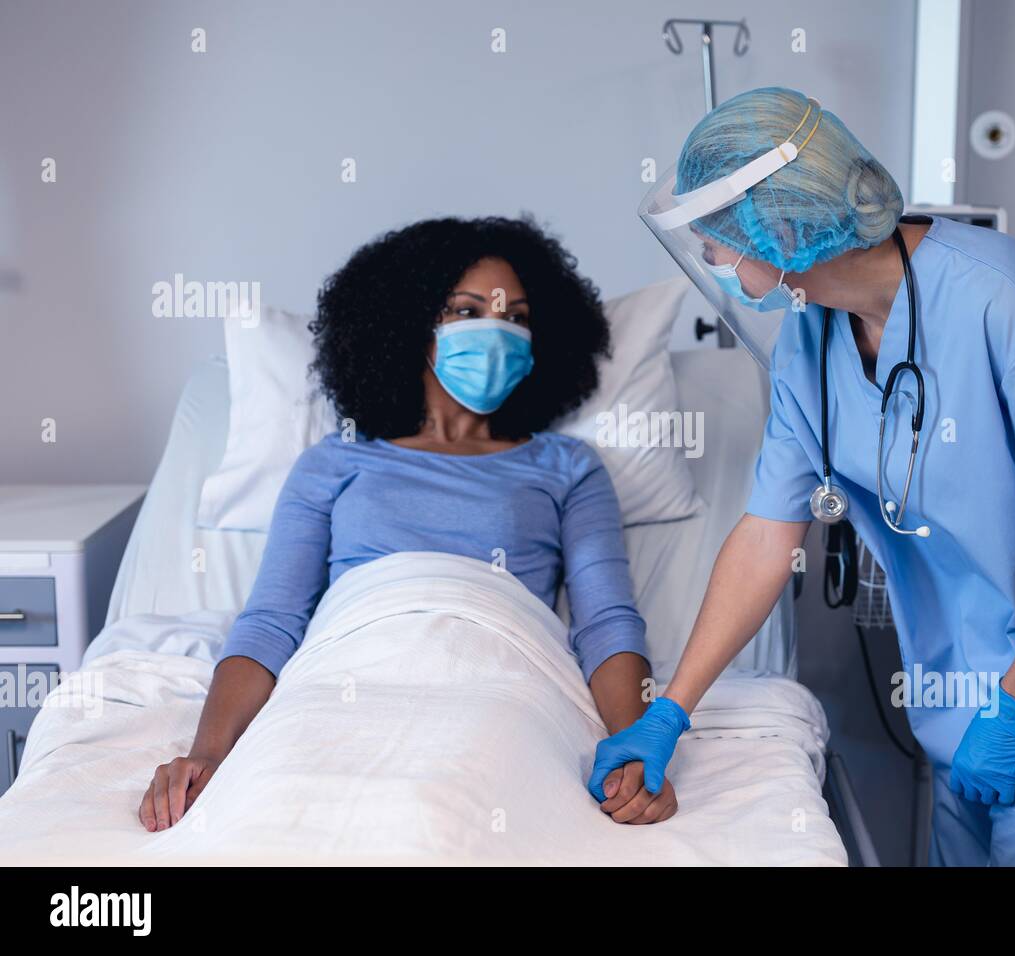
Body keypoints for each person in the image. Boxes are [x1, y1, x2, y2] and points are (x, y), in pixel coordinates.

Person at [590, 87, 1015, 865]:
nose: (711, 260)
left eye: (717, 240)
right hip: (965, 686)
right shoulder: (809, 338)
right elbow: (767, 532)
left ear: (783, 227)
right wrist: (671, 711)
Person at [139, 217, 676, 831]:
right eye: (467, 311)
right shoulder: (334, 462)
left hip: (498, 679)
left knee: (463, 810)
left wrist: (638, 747)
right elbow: (271, 622)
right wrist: (208, 755)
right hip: (349, 670)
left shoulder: (568, 467)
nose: (495, 331)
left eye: (516, 317)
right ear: (413, 326)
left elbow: (606, 623)